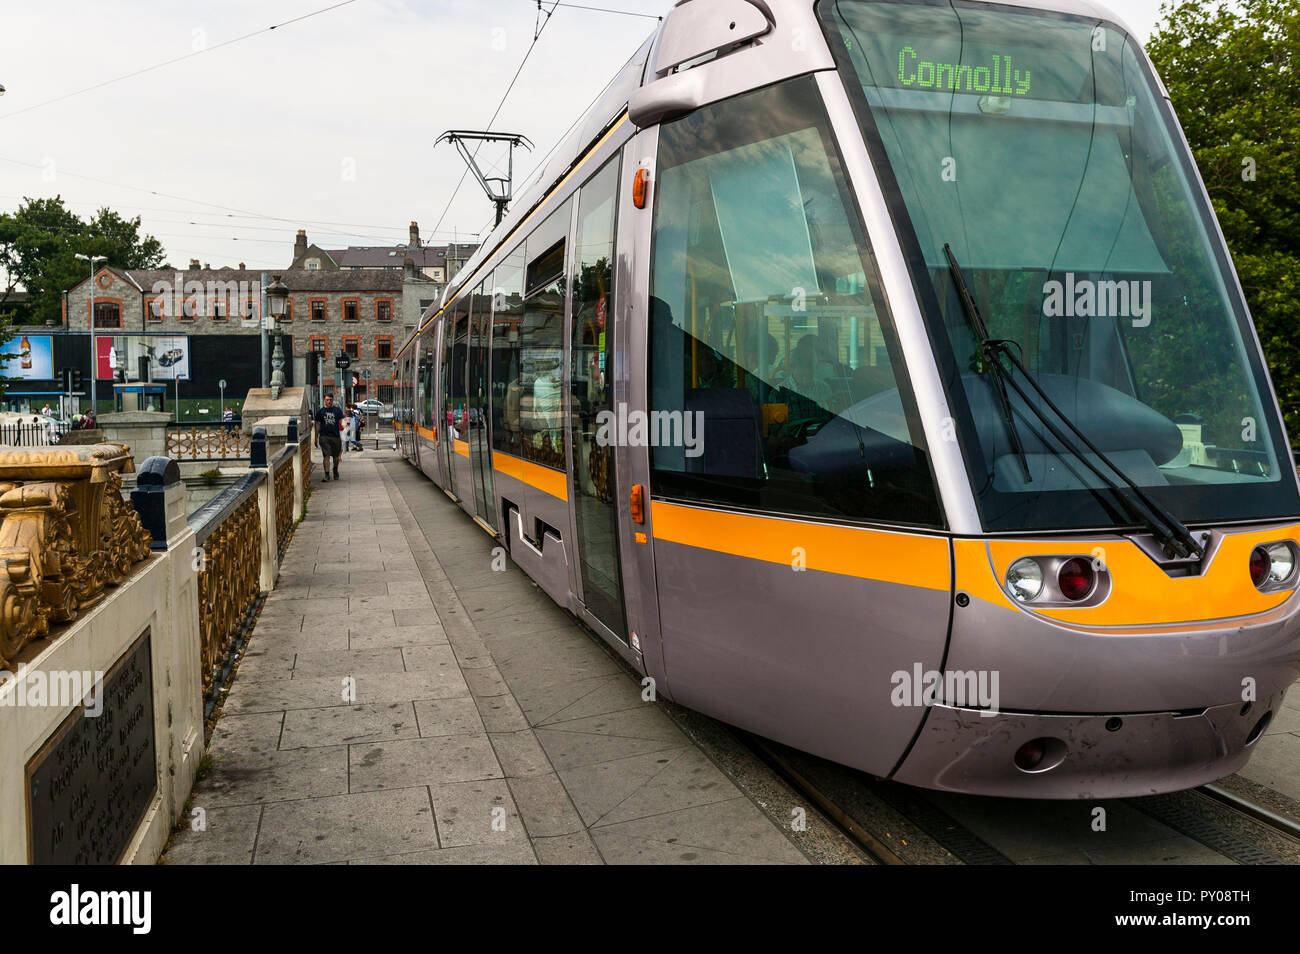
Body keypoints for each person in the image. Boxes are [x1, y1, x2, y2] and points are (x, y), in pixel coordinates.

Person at [315, 392, 345, 481]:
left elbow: (342, 421)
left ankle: (335, 470)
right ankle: (327, 475)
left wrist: (345, 428)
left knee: (336, 457)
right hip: (324, 436)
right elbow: (317, 425)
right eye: (327, 400)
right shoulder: (320, 412)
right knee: (326, 456)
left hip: (335, 436)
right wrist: (316, 437)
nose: (329, 401)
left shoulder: (337, 410)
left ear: (333, 400)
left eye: (330, 400)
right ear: (324, 400)